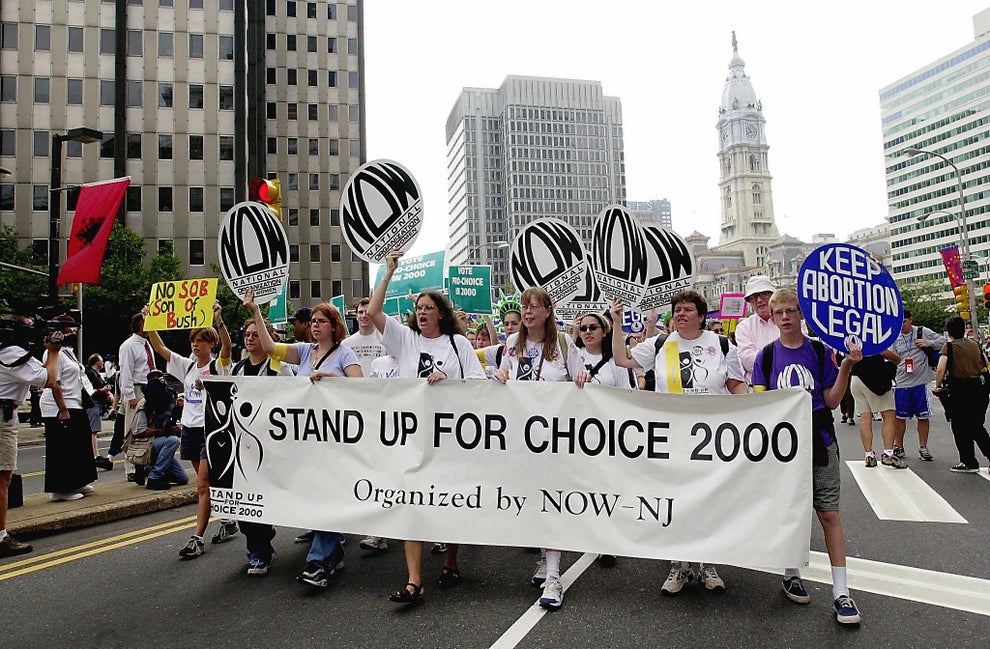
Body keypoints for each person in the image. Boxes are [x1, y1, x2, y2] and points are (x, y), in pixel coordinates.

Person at [369, 249, 486, 605]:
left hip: (449, 439)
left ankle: (450, 561)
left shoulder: (458, 344)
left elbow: (478, 384)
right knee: (411, 503)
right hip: (412, 439)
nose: (422, 313)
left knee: (448, 502)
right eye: (418, 308)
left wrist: (448, 378)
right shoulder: (404, 340)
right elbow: (374, 312)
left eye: (428, 308)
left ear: (441, 313)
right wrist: (388, 272)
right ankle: (414, 581)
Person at [611, 291, 746, 596]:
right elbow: (623, 360)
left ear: (701, 316)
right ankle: (678, 565)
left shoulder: (722, 345)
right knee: (675, 501)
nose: (681, 314)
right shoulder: (660, 344)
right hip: (672, 438)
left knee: (709, 502)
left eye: (688, 309)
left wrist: (757, 413)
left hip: (712, 440)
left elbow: (736, 384)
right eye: (677, 310)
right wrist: (617, 323)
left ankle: (708, 564)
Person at [752, 287, 862, 626]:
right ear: (771, 316)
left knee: (829, 515)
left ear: (802, 314)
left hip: (820, 440)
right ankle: (791, 573)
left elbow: (831, 400)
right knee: (791, 513)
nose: (785, 316)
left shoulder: (819, 350)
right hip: (784, 447)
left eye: (792, 310)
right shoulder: (766, 357)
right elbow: (758, 406)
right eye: (779, 311)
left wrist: (845, 367)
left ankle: (841, 592)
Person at [245, 292, 363, 586]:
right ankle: (331, 552)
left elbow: (363, 387)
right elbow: (271, 347)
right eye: (312, 321)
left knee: (327, 496)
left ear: (334, 326)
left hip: (335, 439)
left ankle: (318, 561)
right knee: (315, 496)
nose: (315, 326)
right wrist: (255, 311)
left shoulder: (345, 354)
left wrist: (332, 379)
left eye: (321, 321)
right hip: (306, 441)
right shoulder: (304, 351)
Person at [493, 286, 583, 610]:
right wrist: (500, 376)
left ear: (548, 311)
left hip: (554, 439)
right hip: (520, 438)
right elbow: (503, 375)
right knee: (531, 500)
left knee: (551, 501)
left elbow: (581, 382)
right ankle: (545, 558)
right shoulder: (510, 345)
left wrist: (583, 377)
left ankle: (555, 575)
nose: (528, 312)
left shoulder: (563, 344)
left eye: (534, 307)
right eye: (524, 307)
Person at [146, 302, 232, 559]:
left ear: (211, 345)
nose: (195, 345)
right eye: (193, 341)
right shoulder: (187, 365)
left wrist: (218, 320)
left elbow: (227, 347)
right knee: (207, 483)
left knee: (203, 485)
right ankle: (227, 519)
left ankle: (197, 537)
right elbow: (161, 348)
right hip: (190, 430)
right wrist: (151, 322)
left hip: (212, 429)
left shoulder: (218, 365)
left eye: (201, 341)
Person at [228, 315, 293, 575]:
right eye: (247, 334)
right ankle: (258, 547)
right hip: (244, 445)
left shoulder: (278, 366)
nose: (250, 339)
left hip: (272, 444)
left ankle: (262, 541)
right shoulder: (237, 369)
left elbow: (294, 396)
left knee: (266, 497)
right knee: (245, 500)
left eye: (256, 334)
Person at [0, 315, 61, 556]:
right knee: (3, 477)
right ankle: (1, 537)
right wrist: (53, 352)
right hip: (2, 415)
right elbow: (49, 379)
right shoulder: (11, 353)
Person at [40, 316, 98, 502]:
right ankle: (60, 489)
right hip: (59, 405)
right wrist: (62, 409)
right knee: (62, 448)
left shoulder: (68, 352)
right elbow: (54, 383)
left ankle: (77, 480)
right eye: (70, 329)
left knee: (78, 446)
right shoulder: (52, 353)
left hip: (75, 402)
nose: (74, 333)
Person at [934, 316, 990, 474]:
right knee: (976, 425)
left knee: (960, 427)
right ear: (964, 330)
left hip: (960, 391)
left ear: (949, 333)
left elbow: (940, 368)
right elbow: (984, 363)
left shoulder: (949, 347)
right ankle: (971, 460)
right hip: (979, 389)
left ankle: (969, 460)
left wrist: (937, 386)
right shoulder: (975, 345)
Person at [891, 310, 945, 461]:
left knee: (923, 416)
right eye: (899, 322)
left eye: (904, 321)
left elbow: (944, 341)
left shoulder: (922, 331)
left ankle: (923, 447)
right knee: (900, 417)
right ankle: (899, 446)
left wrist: (929, 343)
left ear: (910, 320)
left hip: (920, 381)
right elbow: (891, 357)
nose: (902, 325)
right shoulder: (894, 337)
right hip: (901, 382)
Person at [109, 313, 156, 482]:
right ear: (140, 325)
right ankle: (131, 468)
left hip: (148, 388)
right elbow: (126, 372)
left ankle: (144, 462)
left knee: (148, 426)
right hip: (136, 389)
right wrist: (129, 395)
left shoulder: (147, 345)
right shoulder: (128, 346)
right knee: (132, 428)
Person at [131, 370, 188, 491]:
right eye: (154, 379)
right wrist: (162, 431)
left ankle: (150, 469)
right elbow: (138, 432)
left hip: (160, 445)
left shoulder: (166, 401)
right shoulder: (144, 405)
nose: (159, 381)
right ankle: (154, 476)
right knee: (173, 441)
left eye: (160, 378)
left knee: (182, 478)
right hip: (145, 444)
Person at [849, 349, 903, 468]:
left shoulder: (852, 339)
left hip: (855, 378)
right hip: (874, 377)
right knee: (889, 415)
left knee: (865, 417)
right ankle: (888, 453)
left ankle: (869, 455)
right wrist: (897, 358)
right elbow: (884, 352)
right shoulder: (872, 336)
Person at [734, 274, 778, 385]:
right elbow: (749, 362)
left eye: (763, 295)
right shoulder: (744, 327)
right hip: (758, 390)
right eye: (753, 297)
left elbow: (800, 353)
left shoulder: (793, 319)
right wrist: (783, 357)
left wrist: (760, 355)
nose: (759, 300)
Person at [342, 297, 385, 379]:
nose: (364, 315)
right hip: (355, 389)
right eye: (360, 312)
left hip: (378, 388)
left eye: (367, 312)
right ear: (356, 316)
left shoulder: (385, 341)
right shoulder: (346, 344)